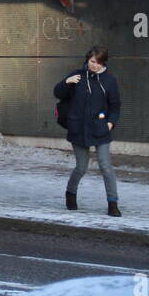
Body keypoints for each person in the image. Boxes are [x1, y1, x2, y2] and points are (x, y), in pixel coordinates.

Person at [53, 46, 122, 216]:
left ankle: (113, 203)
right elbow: (58, 93)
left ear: (103, 63)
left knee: (106, 166)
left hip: (100, 129)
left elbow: (115, 105)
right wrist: (66, 82)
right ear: (87, 60)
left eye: (99, 62)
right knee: (81, 167)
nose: (95, 65)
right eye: (92, 61)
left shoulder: (109, 80)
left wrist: (110, 123)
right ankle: (71, 193)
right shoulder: (77, 76)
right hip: (78, 128)